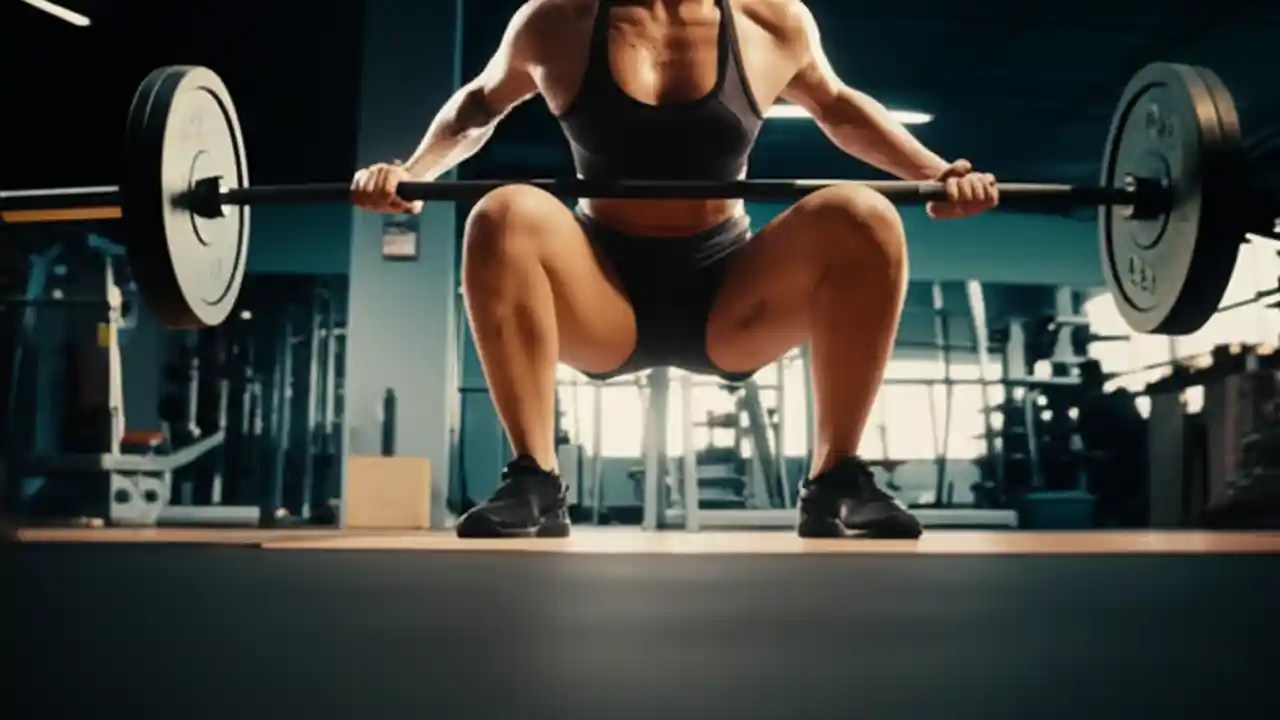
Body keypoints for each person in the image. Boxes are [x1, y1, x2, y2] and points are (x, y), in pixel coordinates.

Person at [351, 0, 999, 539]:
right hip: (602, 298)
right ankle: (536, 480)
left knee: (866, 216)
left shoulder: (770, 20)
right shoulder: (557, 21)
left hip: (732, 299)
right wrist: (415, 171)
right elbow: (477, 107)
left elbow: (836, 105)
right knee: (501, 214)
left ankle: (835, 480)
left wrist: (933, 174)